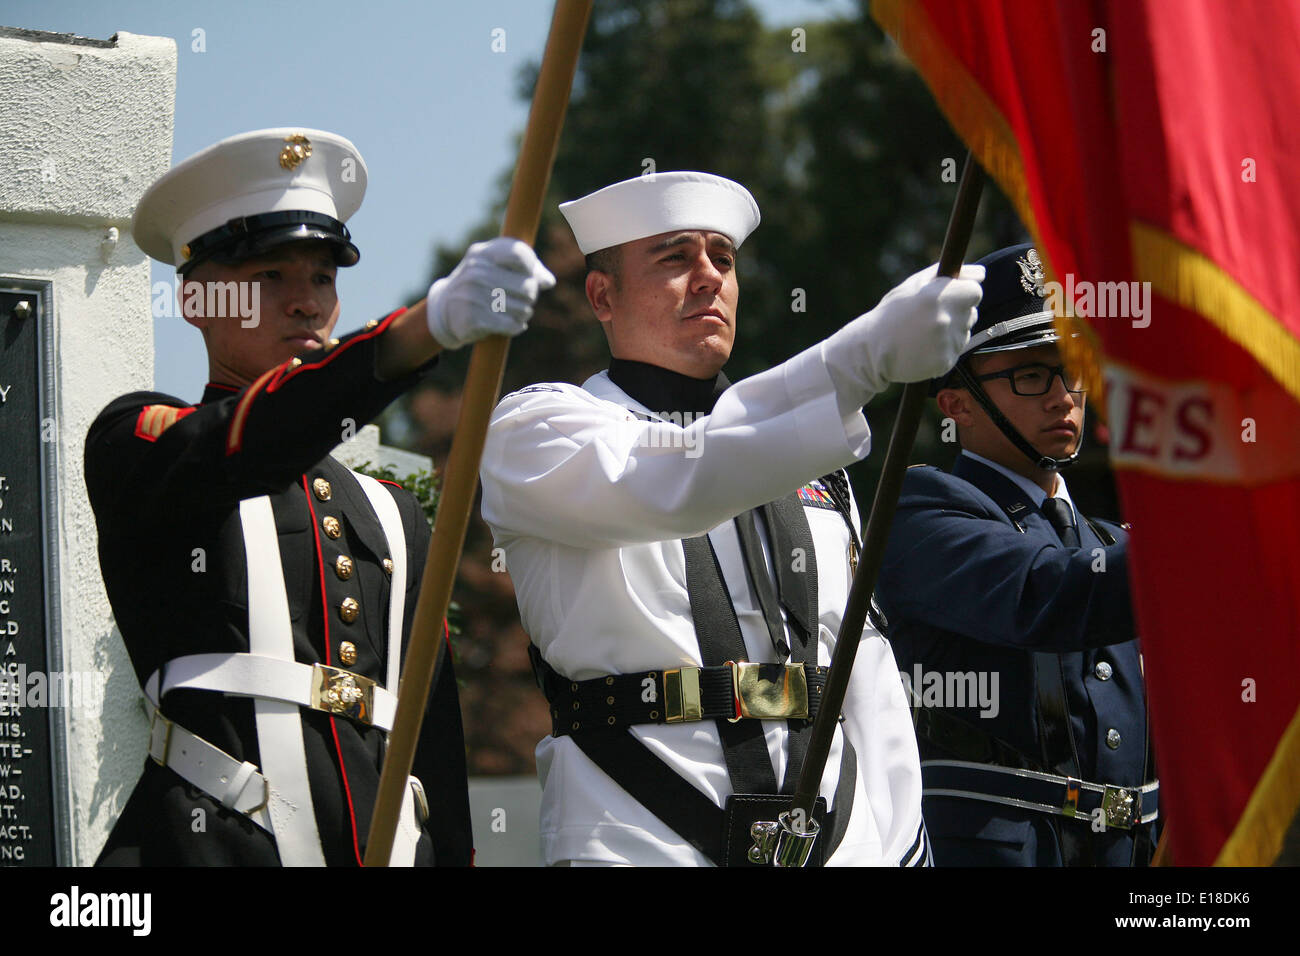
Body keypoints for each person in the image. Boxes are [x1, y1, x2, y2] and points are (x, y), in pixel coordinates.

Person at [479, 171, 984, 866]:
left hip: (839, 841)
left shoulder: (810, 461)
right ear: (602, 295)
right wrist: (861, 358)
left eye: (723, 257)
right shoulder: (538, 429)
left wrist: (896, 842)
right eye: (674, 257)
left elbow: (861, 667)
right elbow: (680, 476)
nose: (708, 276)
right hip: (638, 837)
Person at [85, 128, 555, 865]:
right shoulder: (141, 442)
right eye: (272, 277)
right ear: (198, 297)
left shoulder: (391, 513)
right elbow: (253, 435)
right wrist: (418, 331)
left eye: (323, 279)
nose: (306, 304)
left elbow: (430, 733)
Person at [876, 243, 1159, 866]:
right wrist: (1203, 528)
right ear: (956, 403)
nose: (1064, 396)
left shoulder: (1110, 542)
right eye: (1031, 375)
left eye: (1074, 369)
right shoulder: (921, 514)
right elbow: (1047, 595)